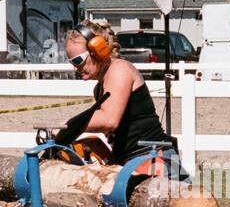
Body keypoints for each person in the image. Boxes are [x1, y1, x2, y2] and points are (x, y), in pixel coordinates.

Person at [63, 22, 167, 164]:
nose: (76, 68)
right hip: (128, 158)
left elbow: (109, 120)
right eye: (72, 62)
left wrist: (68, 126)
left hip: (152, 158)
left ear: (97, 50)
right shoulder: (99, 88)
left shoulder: (119, 70)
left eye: (77, 60)